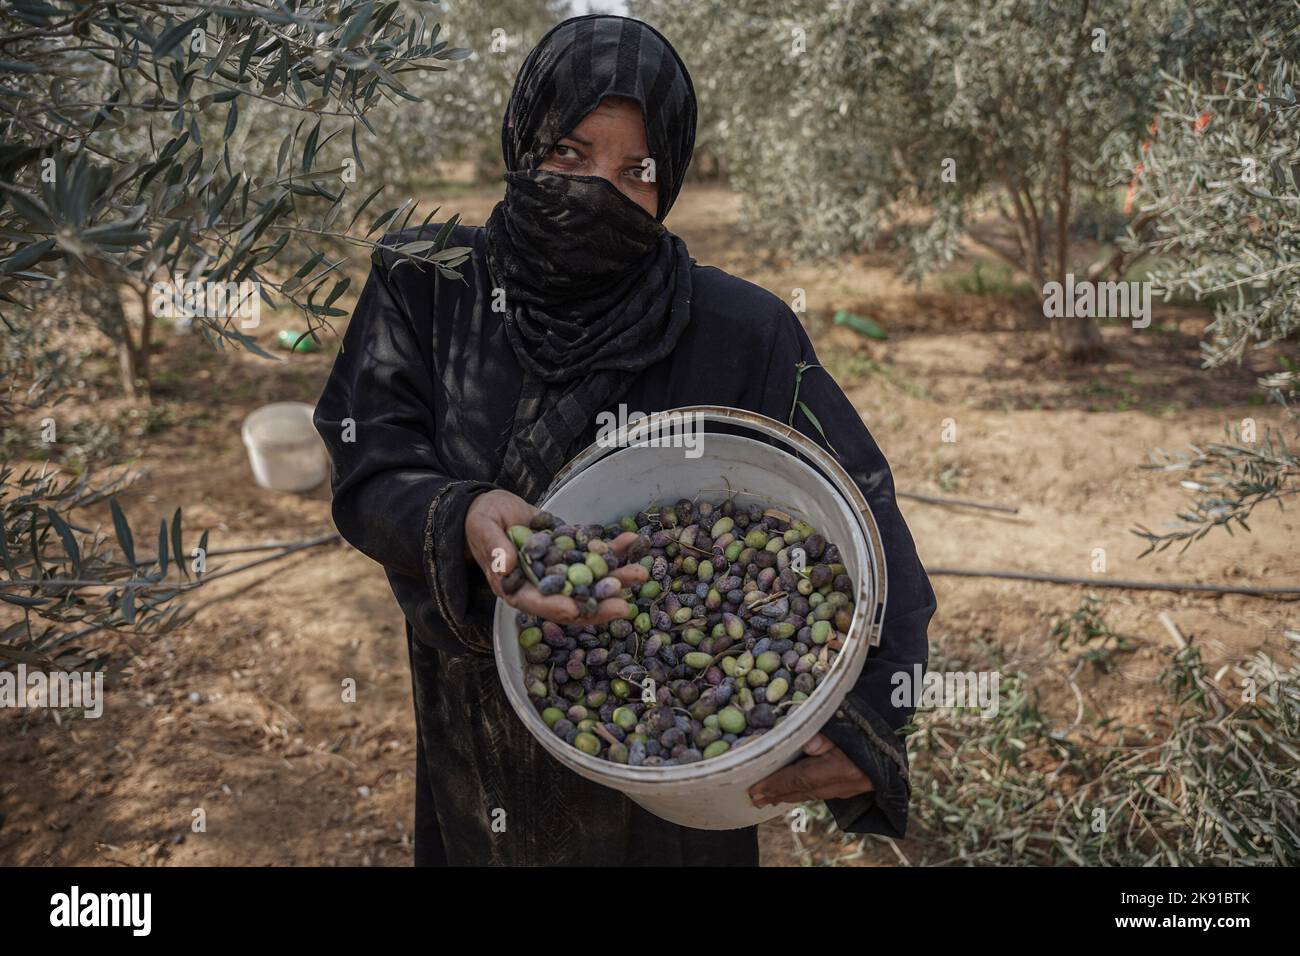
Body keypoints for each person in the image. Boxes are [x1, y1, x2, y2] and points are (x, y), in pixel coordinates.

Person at [314, 13, 935, 866]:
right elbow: (369, 468)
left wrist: (869, 713)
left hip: (681, 790)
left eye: (636, 170)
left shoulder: (738, 331)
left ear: (668, 179)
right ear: (523, 144)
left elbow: (861, 503)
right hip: (484, 750)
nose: (596, 191)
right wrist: (459, 514)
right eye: (568, 154)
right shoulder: (426, 286)